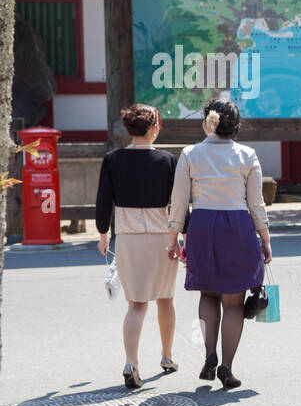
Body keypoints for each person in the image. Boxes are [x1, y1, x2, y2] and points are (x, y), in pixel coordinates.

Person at [167, 99, 272, 390]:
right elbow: (256, 203)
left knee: (208, 295)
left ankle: (209, 354)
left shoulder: (190, 154)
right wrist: (265, 238)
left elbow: (178, 202)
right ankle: (227, 367)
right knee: (234, 303)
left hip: (201, 227)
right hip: (237, 228)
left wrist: (173, 236)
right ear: (235, 125)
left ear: (207, 123)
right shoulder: (247, 155)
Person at [95, 104, 180, 388]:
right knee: (165, 299)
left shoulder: (113, 159)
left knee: (136, 304)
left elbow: (104, 200)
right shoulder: (167, 160)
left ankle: (131, 363)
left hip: (128, 238)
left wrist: (103, 234)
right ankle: (167, 356)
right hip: (161, 237)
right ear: (154, 127)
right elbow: (179, 205)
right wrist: (183, 238)